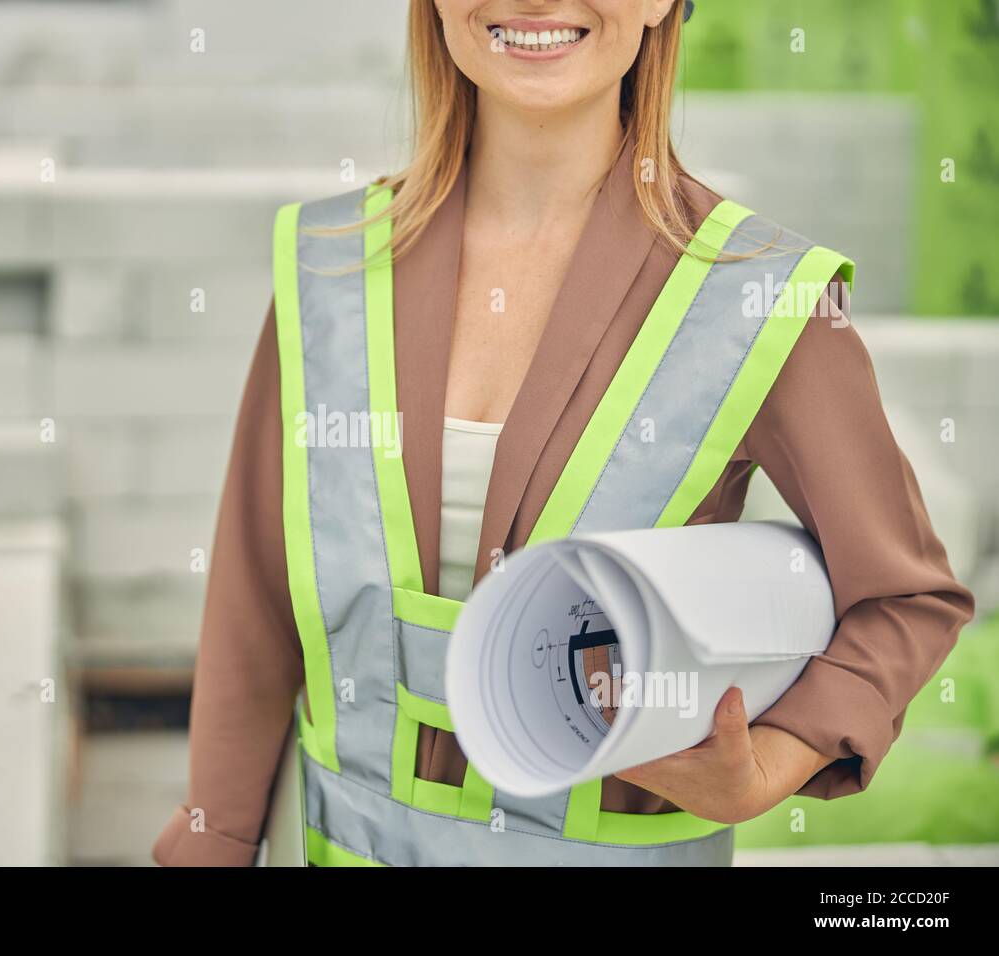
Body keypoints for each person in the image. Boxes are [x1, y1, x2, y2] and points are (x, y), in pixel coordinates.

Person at [152, 0, 974, 866]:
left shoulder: (768, 297)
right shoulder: (328, 265)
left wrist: (773, 763)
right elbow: (253, 600)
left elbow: (906, 598)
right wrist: (214, 838)